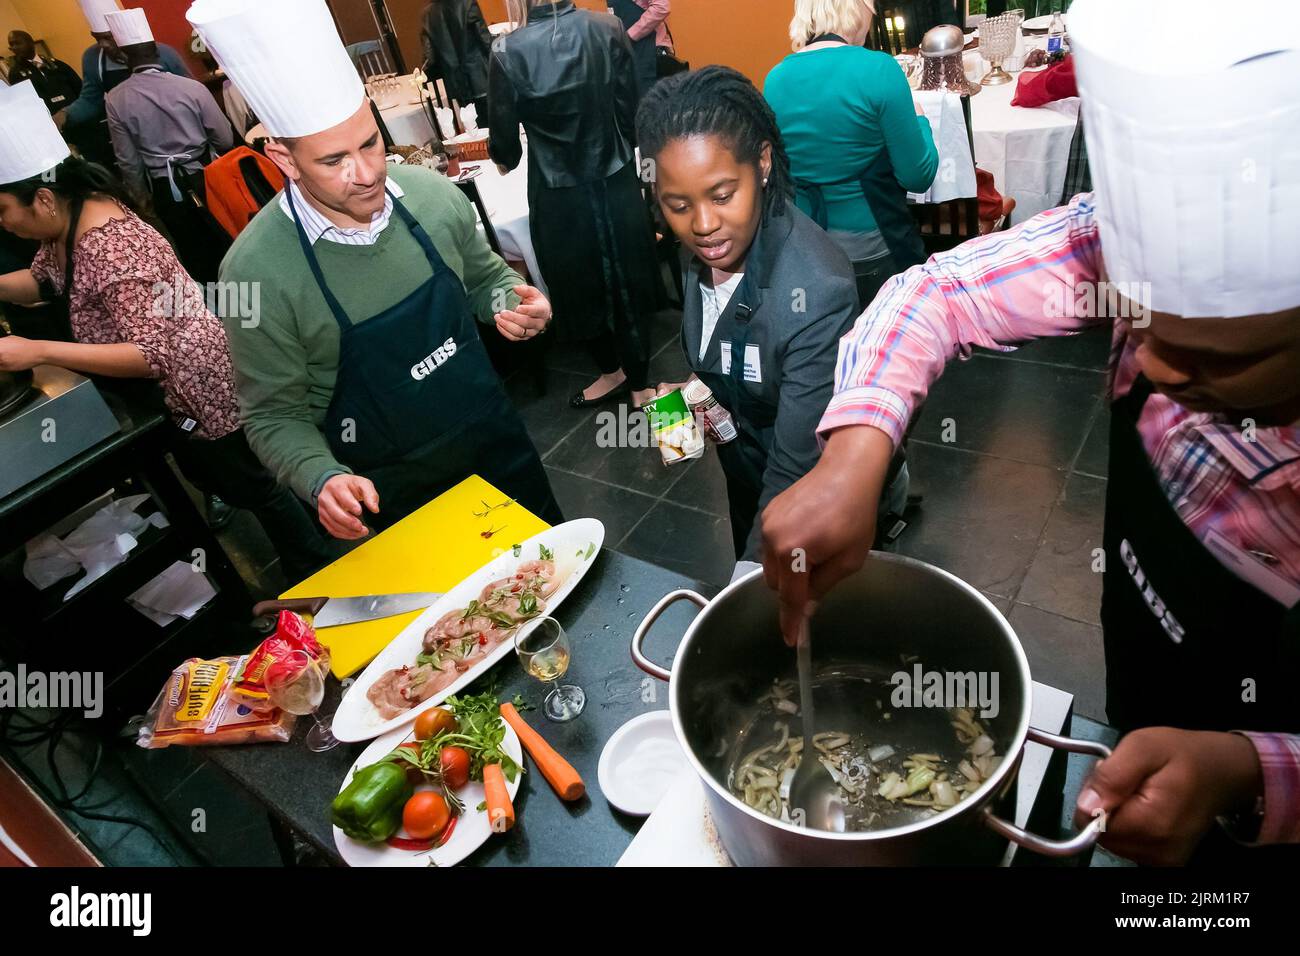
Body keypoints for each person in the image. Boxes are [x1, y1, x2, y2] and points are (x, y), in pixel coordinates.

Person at [760, 0, 1300, 865]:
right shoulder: (1121, 256)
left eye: (1213, 365)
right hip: (1147, 660)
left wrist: (1250, 772)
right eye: (1135, 319)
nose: (1151, 368)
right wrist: (856, 451)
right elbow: (936, 293)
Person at [189, 0, 561, 540]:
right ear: (285, 159)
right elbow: (273, 415)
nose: (365, 173)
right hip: (390, 493)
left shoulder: (433, 198)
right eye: (334, 160)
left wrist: (514, 302)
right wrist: (320, 478)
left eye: (370, 143)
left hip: (496, 449)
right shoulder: (255, 272)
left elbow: (485, 278)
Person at [0, 81, 332, 583]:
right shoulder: (65, 226)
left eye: (4, 210)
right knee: (238, 479)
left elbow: (150, 354)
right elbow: (42, 281)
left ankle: (321, 572)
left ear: (43, 198)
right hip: (181, 384)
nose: (4, 225)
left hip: (199, 379)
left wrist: (37, 350)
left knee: (259, 486)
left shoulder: (111, 244)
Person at [637, 67, 859, 563]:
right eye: (677, 204)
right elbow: (731, 345)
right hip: (745, 473)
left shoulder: (816, 292)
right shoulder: (706, 248)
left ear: (761, 162)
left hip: (805, 497)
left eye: (721, 195)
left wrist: (748, 579)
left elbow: (797, 468)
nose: (703, 225)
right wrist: (695, 392)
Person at [489, 0, 662, 410]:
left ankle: (612, 372)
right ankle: (639, 383)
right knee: (627, 281)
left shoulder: (506, 51)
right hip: (614, 178)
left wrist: (505, 157)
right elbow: (631, 115)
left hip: (556, 191)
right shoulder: (609, 28)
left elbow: (506, 150)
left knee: (575, 285)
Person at [764, 0, 938, 310]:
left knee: (833, 345)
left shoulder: (775, 79)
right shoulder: (878, 69)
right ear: (855, 7)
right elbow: (919, 176)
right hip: (871, 246)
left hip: (808, 247)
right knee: (885, 347)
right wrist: (921, 119)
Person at [103, 8, 234, 284]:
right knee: (228, 238)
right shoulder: (191, 87)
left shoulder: (116, 99)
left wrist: (141, 198)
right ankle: (254, 303)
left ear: (124, 57)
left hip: (166, 189)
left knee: (193, 253)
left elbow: (128, 160)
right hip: (207, 177)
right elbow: (224, 138)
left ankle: (222, 312)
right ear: (157, 52)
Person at [59, 1, 193, 169]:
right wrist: (65, 115)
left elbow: (191, 91)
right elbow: (91, 101)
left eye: (108, 37)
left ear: (122, 32)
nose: (103, 45)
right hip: (133, 137)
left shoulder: (163, 53)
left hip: (176, 131)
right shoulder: (93, 57)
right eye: (97, 38)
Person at [420, 0, 494, 122]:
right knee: (495, 125)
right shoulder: (468, 3)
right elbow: (486, 41)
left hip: (456, 82)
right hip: (480, 77)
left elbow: (430, 57)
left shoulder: (428, 14)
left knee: (473, 127)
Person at [6, 31, 82, 115]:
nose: (15, 47)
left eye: (18, 43)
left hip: (77, 113)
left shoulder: (56, 64)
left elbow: (79, 87)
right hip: (51, 120)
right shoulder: (16, 74)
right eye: (12, 45)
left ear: (31, 43)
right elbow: (25, 104)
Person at [609, 0, 671, 102]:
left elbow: (661, 7)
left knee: (650, 105)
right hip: (628, 53)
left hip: (649, 52)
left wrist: (628, 36)